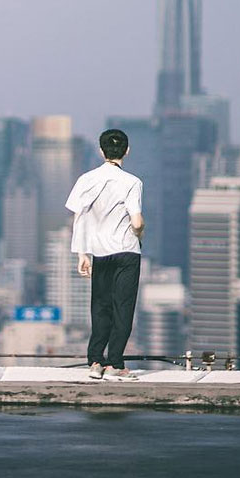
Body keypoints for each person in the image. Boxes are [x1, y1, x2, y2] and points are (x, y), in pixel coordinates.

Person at [65, 128, 145, 381]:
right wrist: (140, 232)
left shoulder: (86, 179)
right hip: (126, 251)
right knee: (123, 308)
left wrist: (81, 253)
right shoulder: (132, 182)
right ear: (127, 151)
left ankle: (95, 361)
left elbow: (78, 216)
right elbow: (137, 220)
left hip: (99, 251)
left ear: (101, 151)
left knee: (100, 306)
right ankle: (115, 365)